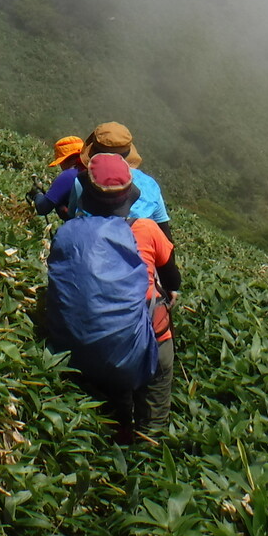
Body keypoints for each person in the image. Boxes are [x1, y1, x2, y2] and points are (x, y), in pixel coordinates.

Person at [68, 152, 181, 439]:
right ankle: (146, 457)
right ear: (129, 195)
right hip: (150, 338)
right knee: (153, 416)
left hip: (93, 340)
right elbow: (172, 280)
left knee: (111, 408)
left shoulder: (70, 233)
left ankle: (114, 440)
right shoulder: (146, 228)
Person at [30, 122, 173, 238]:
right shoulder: (150, 185)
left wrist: (37, 195)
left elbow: (52, 211)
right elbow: (165, 233)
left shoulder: (78, 179)